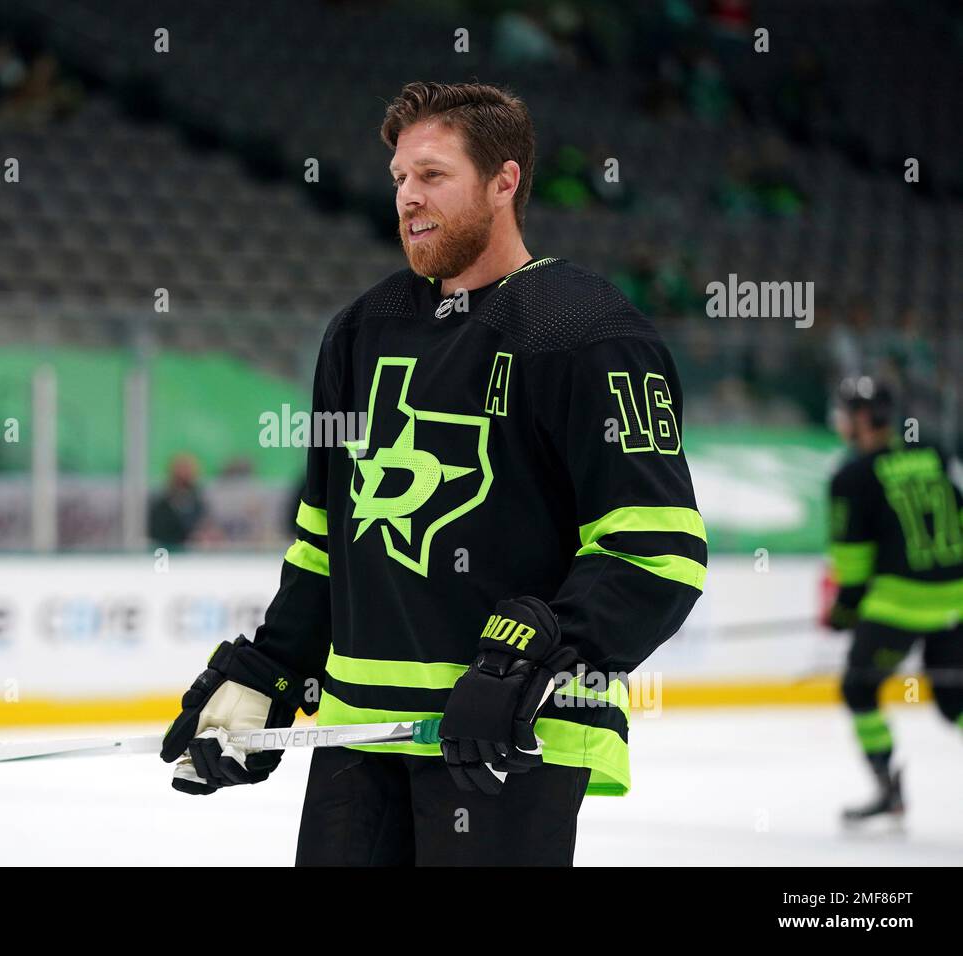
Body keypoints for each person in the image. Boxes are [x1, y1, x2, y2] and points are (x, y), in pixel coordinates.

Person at [160, 82, 705, 865]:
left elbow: (655, 551)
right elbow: (326, 540)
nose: (408, 198)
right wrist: (270, 668)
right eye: (398, 180)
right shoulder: (360, 332)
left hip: (508, 741)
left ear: (504, 182)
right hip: (360, 735)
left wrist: (533, 664)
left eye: (432, 175)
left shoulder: (586, 332)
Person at [825, 377, 963, 827]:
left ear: (862, 420)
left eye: (847, 414)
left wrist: (844, 611)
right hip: (956, 602)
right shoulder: (935, 455)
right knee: (953, 702)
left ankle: (888, 790)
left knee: (858, 688)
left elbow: (853, 561)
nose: (842, 422)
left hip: (900, 605)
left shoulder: (852, 477)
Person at [147, 453, 207, 550]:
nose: (185, 474)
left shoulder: (198, 501)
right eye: (182, 470)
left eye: (188, 470)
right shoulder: (161, 504)